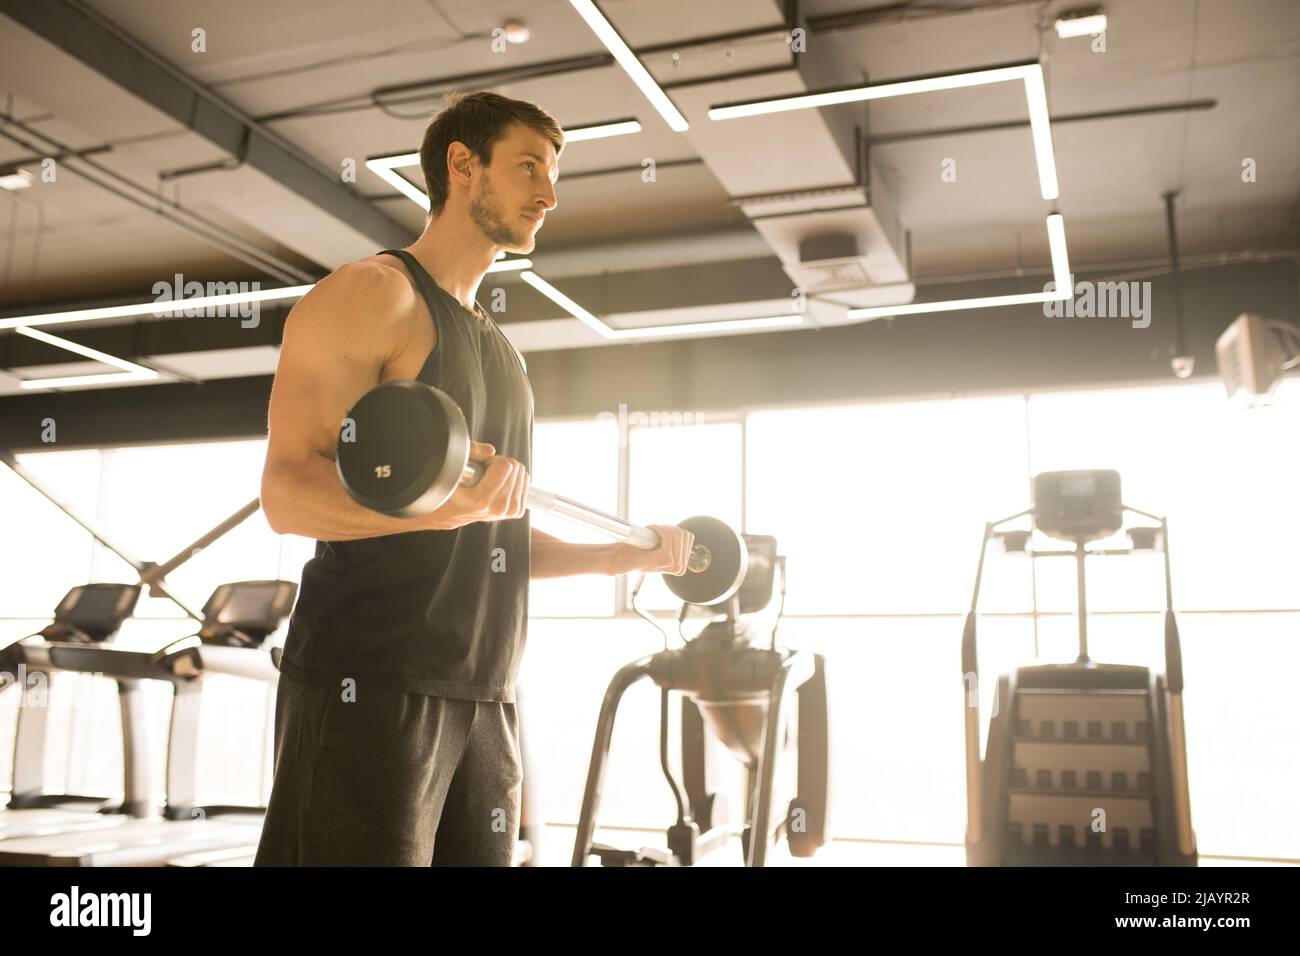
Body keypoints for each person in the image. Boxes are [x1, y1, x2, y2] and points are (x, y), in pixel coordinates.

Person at [254, 91, 694, 866]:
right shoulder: (372, 295)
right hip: (370, 677)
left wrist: (621, 558)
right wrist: (439, 513)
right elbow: (287, 495)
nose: (548, 194)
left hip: (487, 692)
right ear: (462, 165)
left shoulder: (504, 352)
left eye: (552, 176)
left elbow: (496, 534)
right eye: (528, 167)